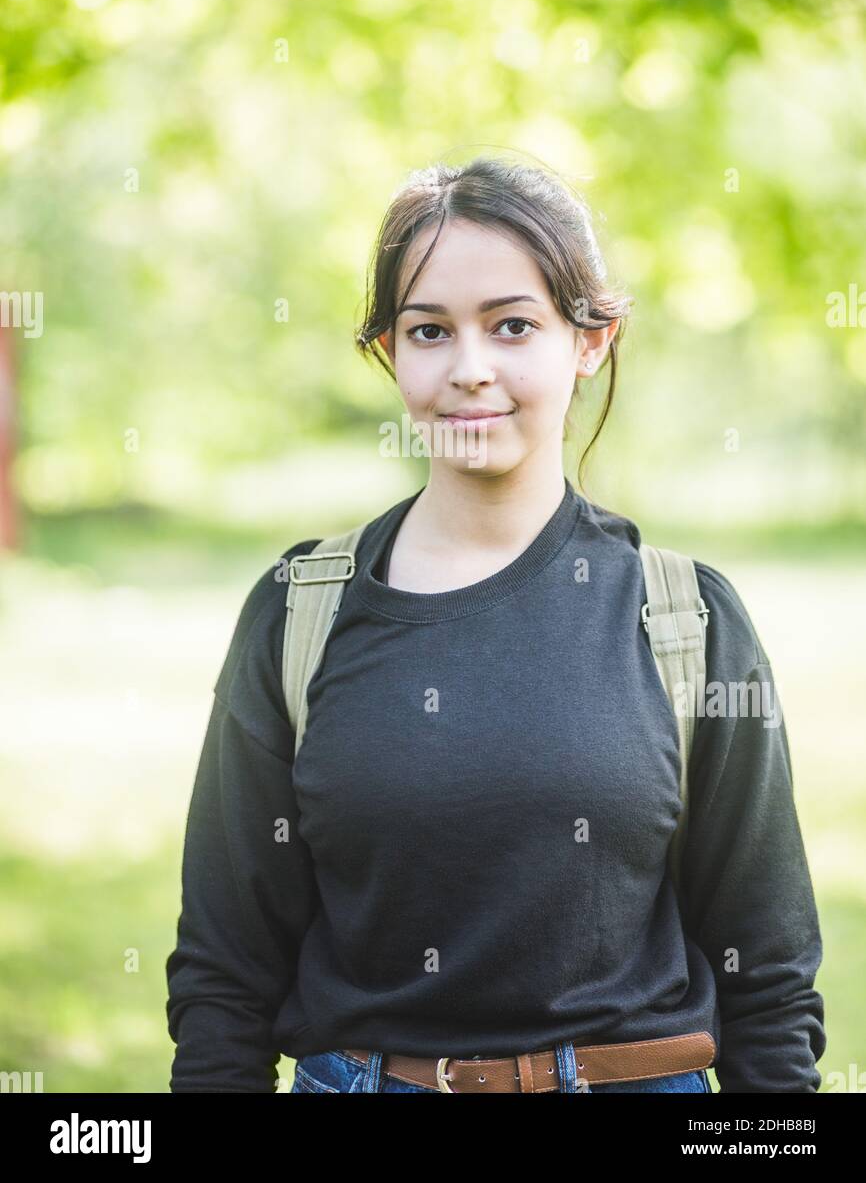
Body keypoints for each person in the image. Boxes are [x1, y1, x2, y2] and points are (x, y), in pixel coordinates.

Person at [165, 156, 826, 1094]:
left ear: (589, 340)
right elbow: (225, 970)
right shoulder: (299, 611)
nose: (469, 369)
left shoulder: (687, 619)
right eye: (429, 330)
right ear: (390, 351)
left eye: (513, 325)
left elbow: (766, 974)